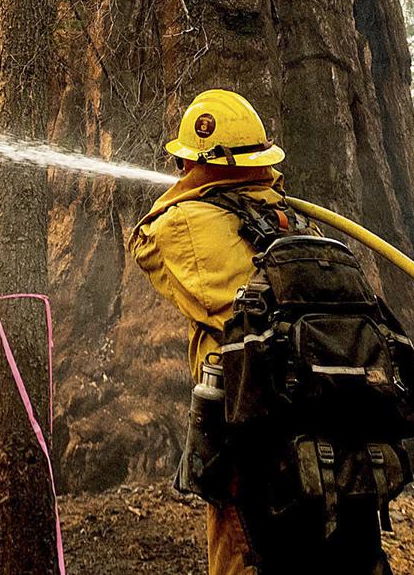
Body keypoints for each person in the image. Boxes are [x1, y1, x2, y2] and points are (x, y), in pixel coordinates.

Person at [130, 87, 299, 575]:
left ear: (205, 165)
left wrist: (190, 188)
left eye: (187, 163)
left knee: (241, 554)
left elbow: (146, 242)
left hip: (248, 427)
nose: (180, 171)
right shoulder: (291, 218)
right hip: (321, 427)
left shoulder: (184, 222)